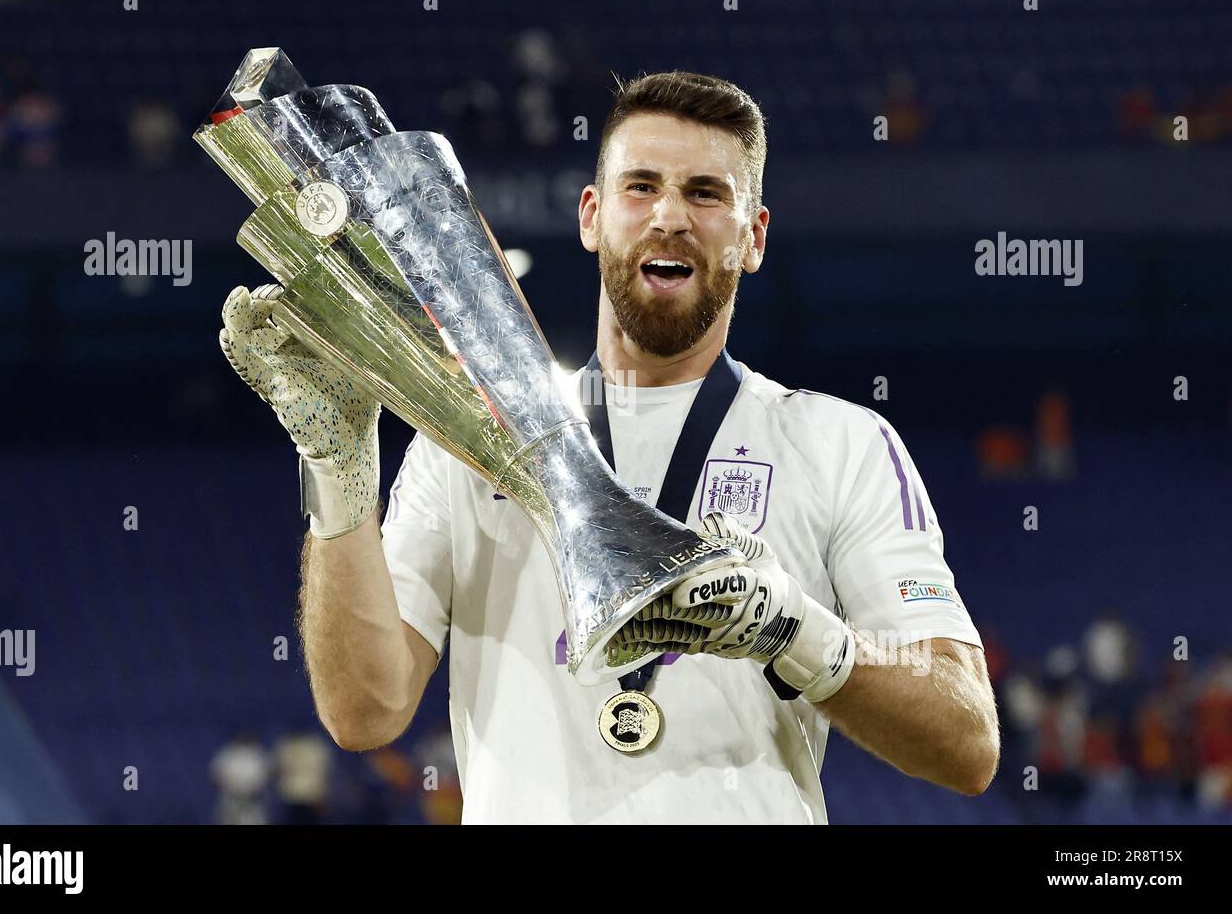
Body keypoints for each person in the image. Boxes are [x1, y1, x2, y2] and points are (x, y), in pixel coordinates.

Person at [218, 71, 999, 823]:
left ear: (754, 236)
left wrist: (790, 630)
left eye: (706, 192)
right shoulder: (461, 443)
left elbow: (967, 744)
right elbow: (366, 709)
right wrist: (340, 469)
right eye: (641, 185)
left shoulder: (839, 443)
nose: (669, 216)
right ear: (592, 216)